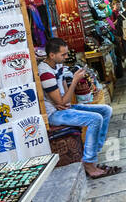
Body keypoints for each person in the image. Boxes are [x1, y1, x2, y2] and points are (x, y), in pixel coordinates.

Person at [41, 38, 120, 178]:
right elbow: (62, 99)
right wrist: (75, 81)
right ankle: (89, 163)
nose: (66, 57)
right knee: (95, 119)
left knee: (106, 110)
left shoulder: (58, 66)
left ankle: (93, 152)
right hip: (54, 114)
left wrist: (64, 100)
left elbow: (65, 98)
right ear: (52, 55)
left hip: (63, 108)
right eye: (63, 55)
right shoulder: (45, 73)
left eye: (66, 54)